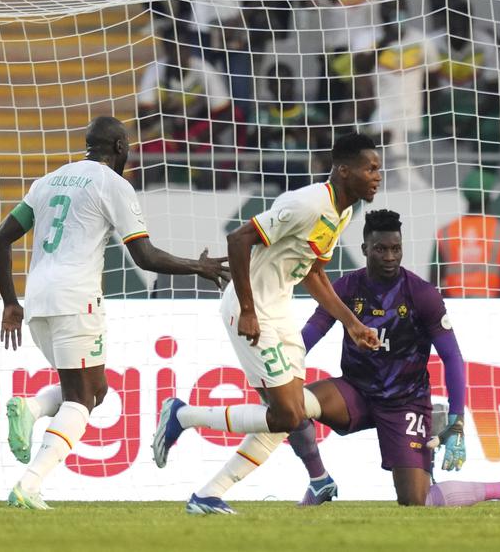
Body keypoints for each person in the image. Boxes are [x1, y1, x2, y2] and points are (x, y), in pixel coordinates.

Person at [0, 116, 229, 509]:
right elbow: (145, 255)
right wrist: (198, 267)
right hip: (76, 299)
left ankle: (32, 408)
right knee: (82, 399)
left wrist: (10, 303)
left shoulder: (47, 181)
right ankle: (28, 485)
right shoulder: (113, 184)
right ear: (121, 147)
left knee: (95, 389)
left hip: (37, 301)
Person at [151, 132, 383, 515]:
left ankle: (209, 494)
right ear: (344, 170)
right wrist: (247, 309)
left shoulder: (341, 212)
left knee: (289, 414)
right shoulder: (307, 204)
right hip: (252, 309)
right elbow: (238, 239)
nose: (377, 176)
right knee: (289, 413)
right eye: (370, 169)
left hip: (279, 309)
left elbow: (314, 273)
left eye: (378, 169)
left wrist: (352, 324)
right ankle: (182, 415)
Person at [285, 209, 500, 508]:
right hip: (355, 391)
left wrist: (457, 420)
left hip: (405, 401)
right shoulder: (346, 288)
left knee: (416, 501)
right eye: (381, 249)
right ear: (365, 249)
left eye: (396, 249)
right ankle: (320, 481)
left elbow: (452, 357)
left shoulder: (422, 294)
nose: (390, 257)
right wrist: (282, 368)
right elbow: (312, 332)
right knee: (291, 404)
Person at [433, 169, 500, 298]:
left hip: (454, 302)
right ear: (489, 196)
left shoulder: (446, 231)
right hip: (491, 303)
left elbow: (434, 275)